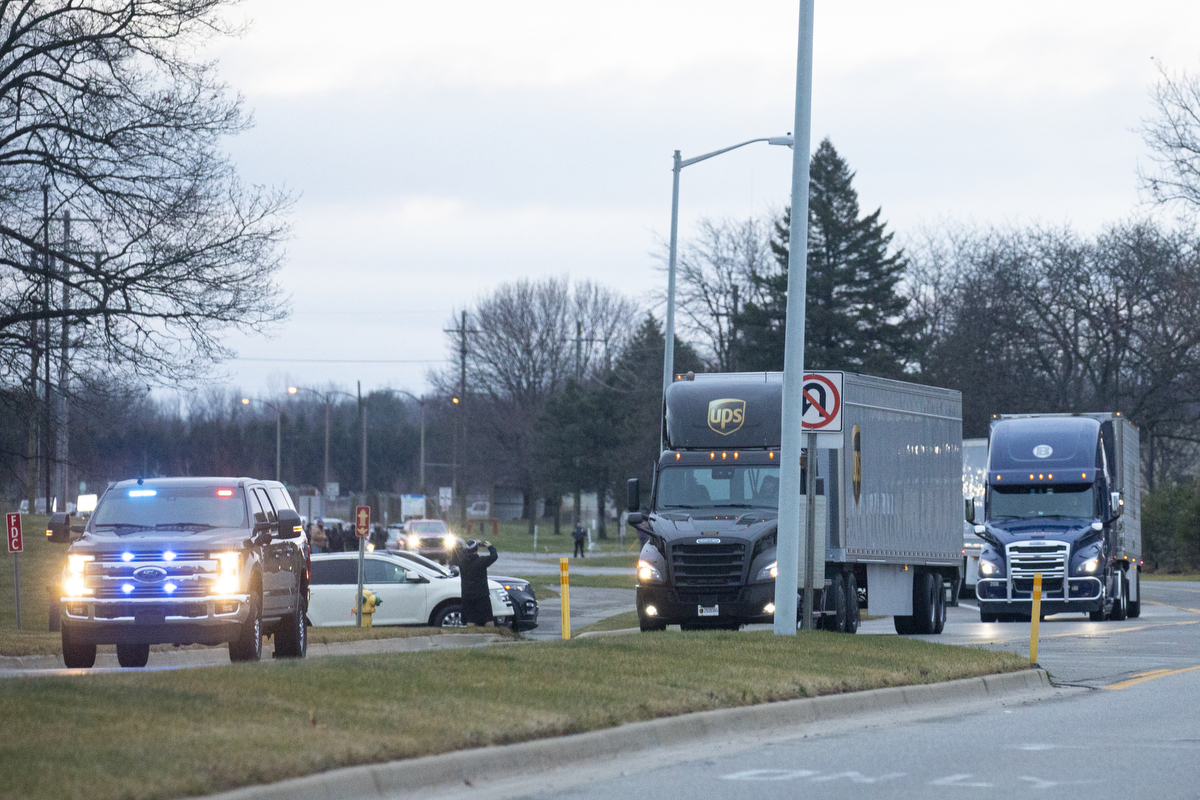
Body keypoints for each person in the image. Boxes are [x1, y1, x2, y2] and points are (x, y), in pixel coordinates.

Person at [455, 539, 498, 626]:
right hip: (482, 594)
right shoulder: (481, 561)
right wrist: (490, 547)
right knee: (488, 618)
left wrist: (471, 546)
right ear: (476, 549)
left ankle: (472, 634)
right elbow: (494, 556)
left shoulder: (462, 561)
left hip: (467, 595)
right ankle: (489, 634)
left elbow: (461, 553)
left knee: (470, 619)